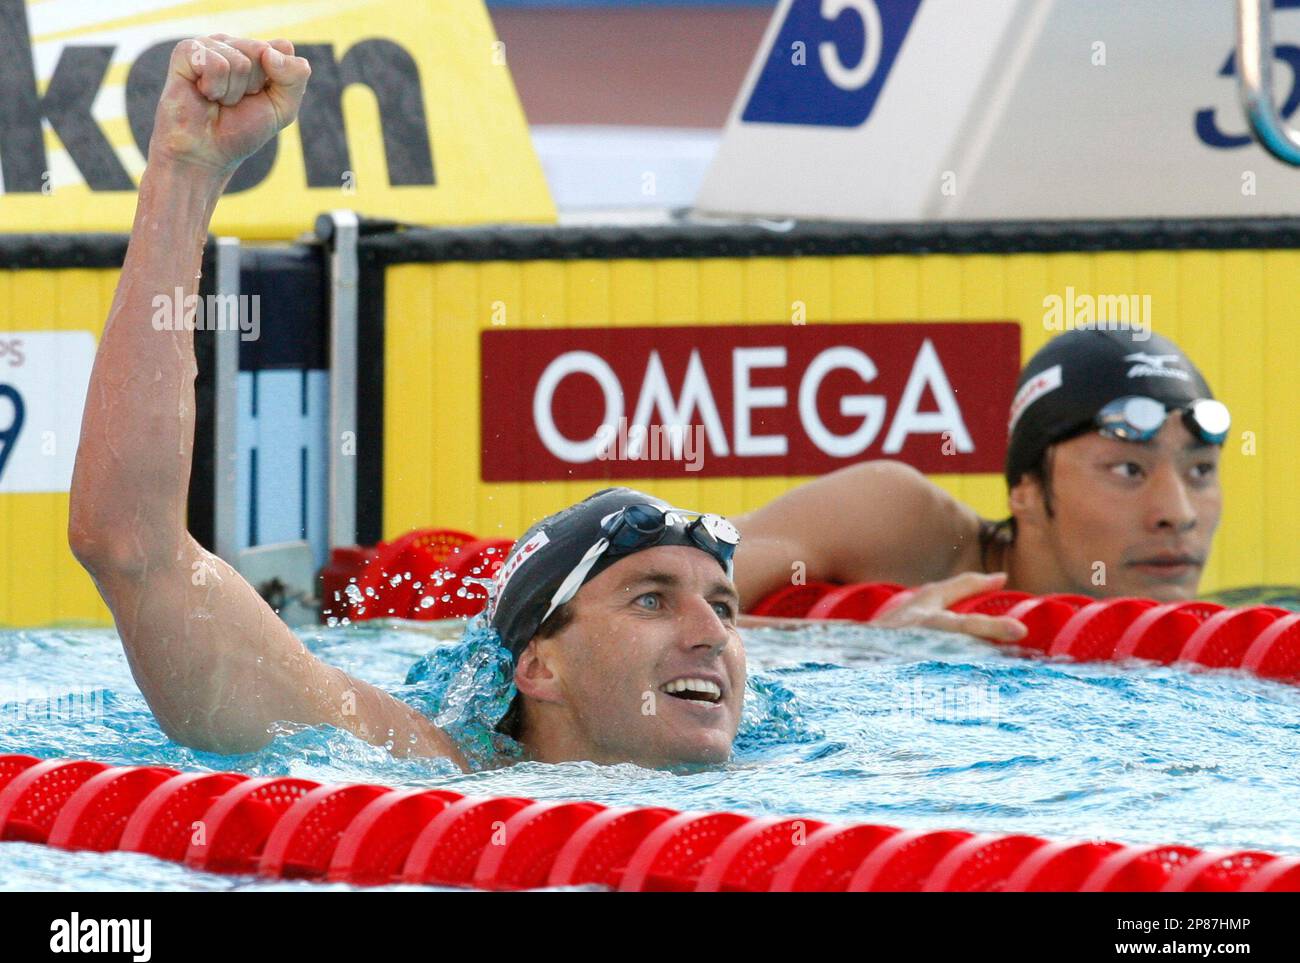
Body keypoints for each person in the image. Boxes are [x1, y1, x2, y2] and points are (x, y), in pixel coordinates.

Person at [67, 34, 753, 771]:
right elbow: (131, 545)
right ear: (538, 667)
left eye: (722, 606)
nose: (710, 634)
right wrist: (185, 174)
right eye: (650, 600)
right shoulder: (419, 770)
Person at [732, 326, 1229, 627]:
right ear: (1027, 491)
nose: (1178, 515)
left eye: (1200, 471)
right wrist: (863, 647)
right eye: (1128, 469)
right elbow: (665, 596)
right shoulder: (901, 521)